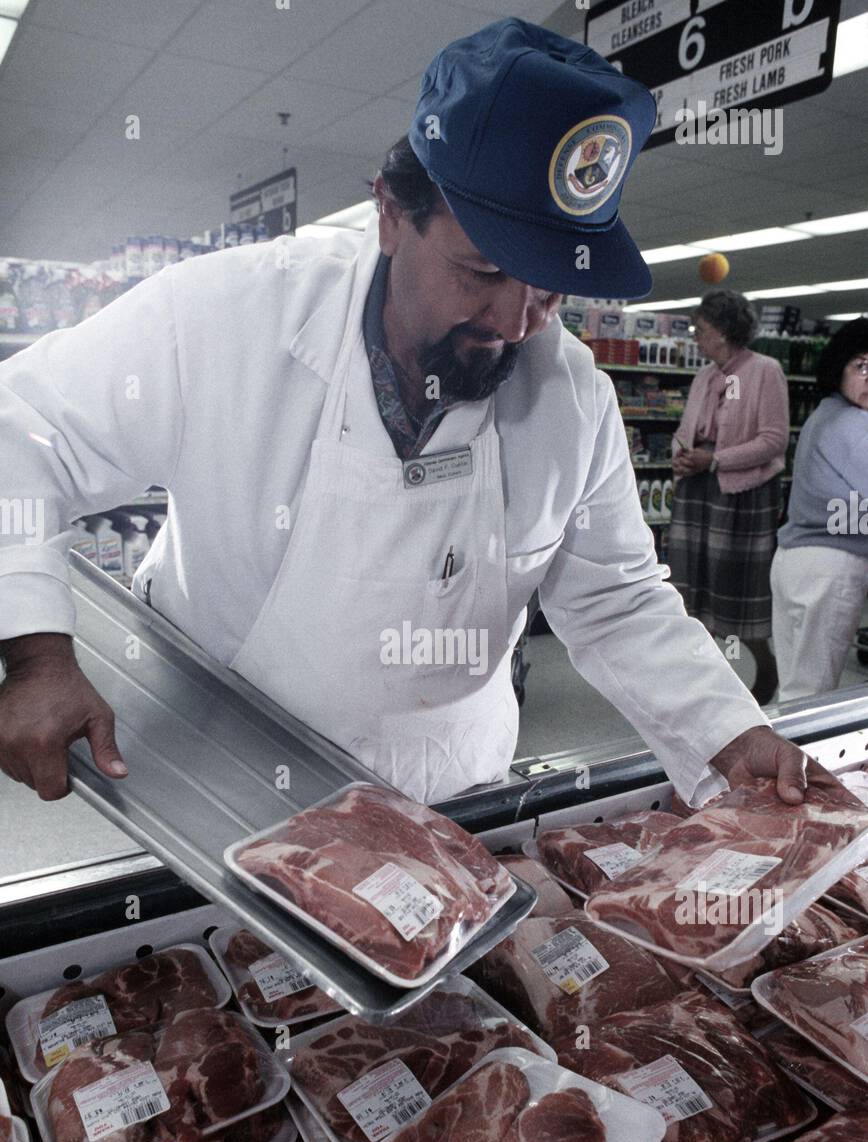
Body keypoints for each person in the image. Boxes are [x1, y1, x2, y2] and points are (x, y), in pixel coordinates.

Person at [0, 20, 833, 811]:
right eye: (482, 273)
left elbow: (615, 599)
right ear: (392, 215)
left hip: (451, 794)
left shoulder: (569, 392)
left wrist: (732, 734)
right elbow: (23, 427)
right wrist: (36, 652)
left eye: (549, 287)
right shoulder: (227, 314)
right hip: (227, 772)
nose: (515, 325)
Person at [668, 290, 790, 705]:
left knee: (735, 592)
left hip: (742, 495)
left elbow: (773, 441)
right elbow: (685, 429)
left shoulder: (765, 371)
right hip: (698, 489)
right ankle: (704, 681)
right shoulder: (705, 376)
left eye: (701, 330)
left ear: (723, 331)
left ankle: (764, 673)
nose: (696, 338)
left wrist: (716, 460)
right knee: (693, 589)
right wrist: (681, 457)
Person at [771, 319, 868, 702]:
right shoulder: (855, 423)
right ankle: (801, 762)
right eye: (861, 366)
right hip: (830, 568)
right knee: (813, 696)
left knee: (796, 687)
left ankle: (779, 759)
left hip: (792, 562)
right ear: (838, 366)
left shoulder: (824, 413)